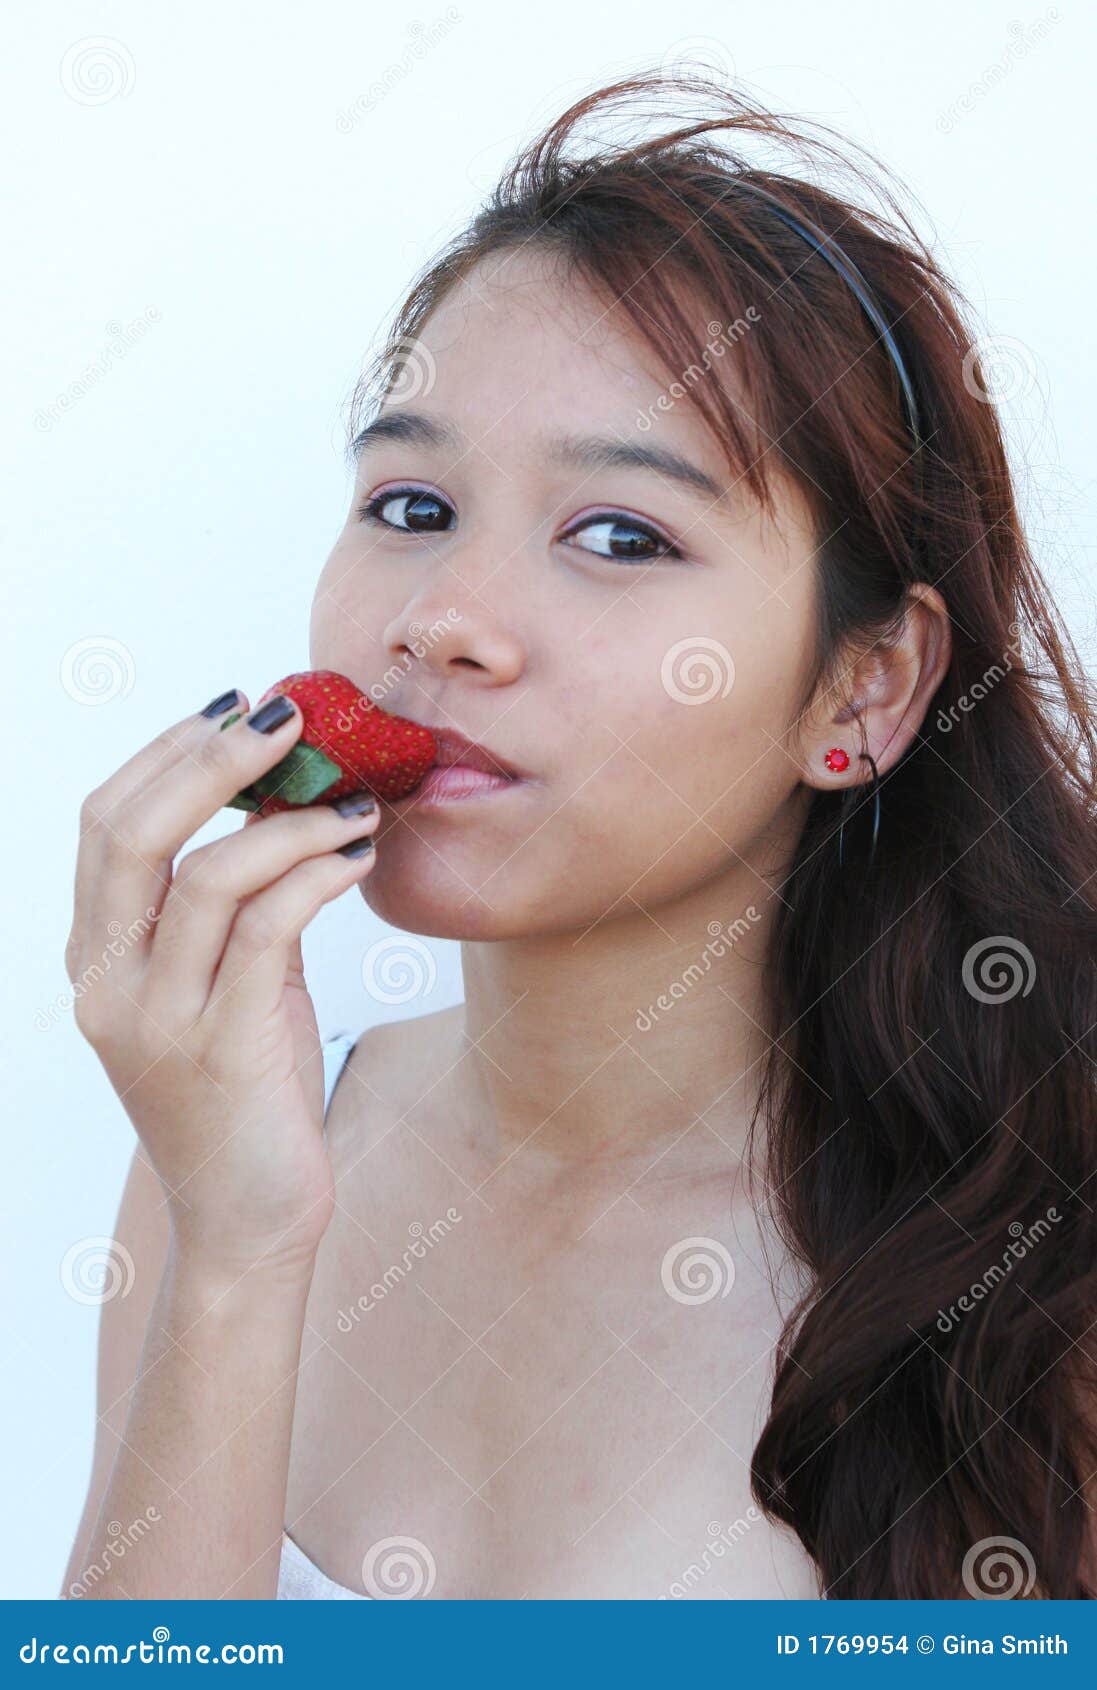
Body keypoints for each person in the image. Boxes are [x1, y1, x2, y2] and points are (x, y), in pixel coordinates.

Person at [61, 70, 1097, 1600]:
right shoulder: (226, 1164)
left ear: (865, 687)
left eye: (619, 535)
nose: (444, 620)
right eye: (410, 504)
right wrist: (232, 1243)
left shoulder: (1033, 1277)